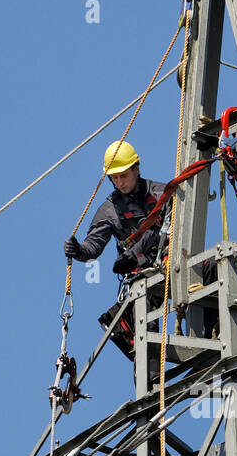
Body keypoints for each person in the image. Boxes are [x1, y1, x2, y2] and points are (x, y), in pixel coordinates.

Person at [63, 140, 171, 383]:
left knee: (209, 274)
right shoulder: (110, 210)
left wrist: (134, 254)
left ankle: (214, 336)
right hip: (141, 277)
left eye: (123, 175)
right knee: (131, 322)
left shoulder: (162, 193)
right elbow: (93, 247)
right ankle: (151, 383)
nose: (119, 182)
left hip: (170, 263)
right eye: (114, 178)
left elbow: (171, 226)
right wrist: (78, 250)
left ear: (136, 169)